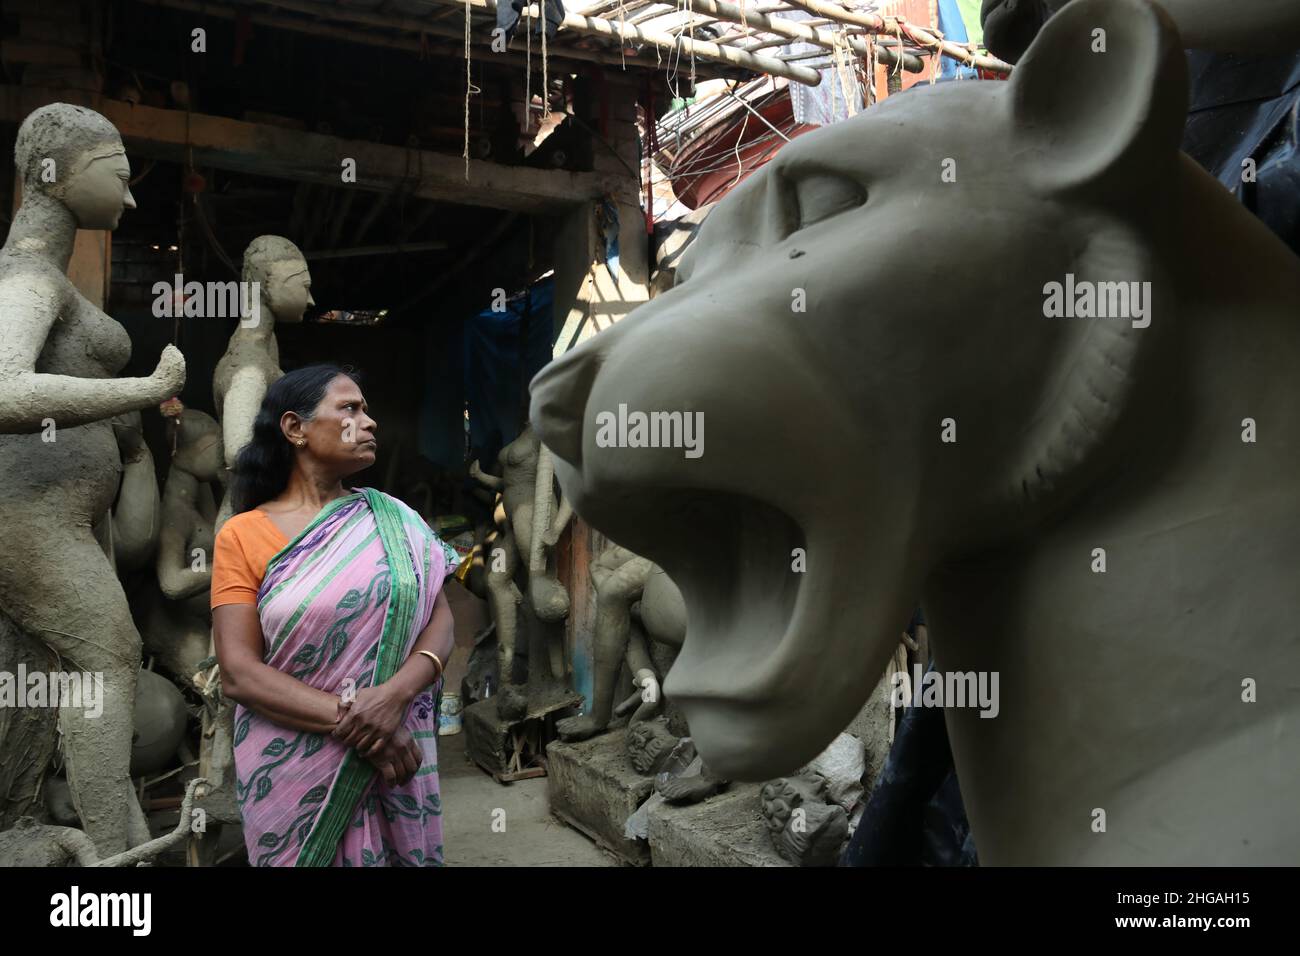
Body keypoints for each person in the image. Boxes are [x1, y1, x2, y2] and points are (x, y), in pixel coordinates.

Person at [212, 364, 458, 867]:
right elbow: (238, 672)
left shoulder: (394, 519)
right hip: (291, 765)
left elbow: (441, 619)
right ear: (294, 428)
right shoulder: (241, 535)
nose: (369, 422)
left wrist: (394, 697)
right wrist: (368, 726)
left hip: (397, 754)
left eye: (366, 410)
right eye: (349, 408)